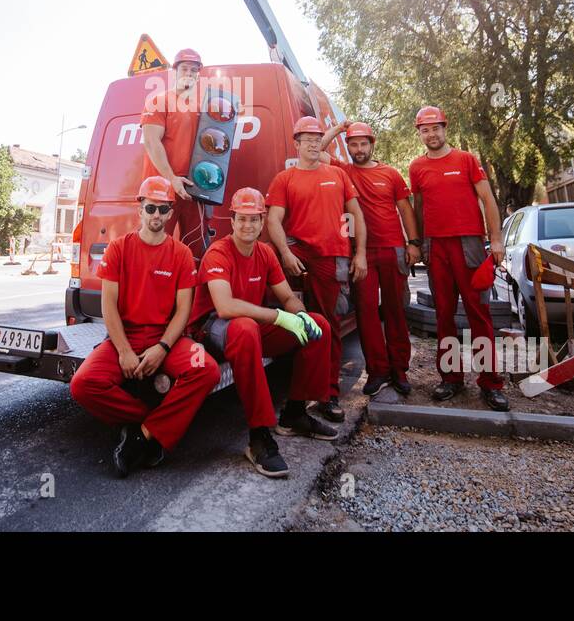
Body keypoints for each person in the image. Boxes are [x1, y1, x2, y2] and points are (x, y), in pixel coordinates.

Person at [69, 176, 220, 476]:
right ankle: (147, 425)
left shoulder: (180, 254)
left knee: (207, 370)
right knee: (83, 385)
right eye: (151, 208)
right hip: (124, 337)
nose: (157, 216)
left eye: (164, 210)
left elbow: (183, 311)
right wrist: (124, 351)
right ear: (140, 208)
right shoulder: (118, 249)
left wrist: (163, 348)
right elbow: (108, 306)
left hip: (167, 338)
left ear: (170, 213)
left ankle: (145, 434)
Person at [190, 187, 337, 478]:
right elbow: (225, 306)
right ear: (231, 220)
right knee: (245, 329)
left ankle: (295, 413)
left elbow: (287, 297)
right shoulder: (218, 252)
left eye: (254, 219)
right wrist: (279, 317)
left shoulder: (265, 252)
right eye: (242, 219)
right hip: (212, 330)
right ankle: (259, 436)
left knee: (318, 325)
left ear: (262, 221)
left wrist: (300, 316)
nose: (248, 225)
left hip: (250, 325)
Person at [266, 116, 367, 422]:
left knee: (331, 324)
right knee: (293, 320)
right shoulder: (285, 179)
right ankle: (290, 389)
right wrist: (284, 253)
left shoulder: (337, 175)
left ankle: (328, 394)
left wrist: (359, 253)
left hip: (332, 256)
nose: (312, 143)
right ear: (296, 143)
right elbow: (273, 220)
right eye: (306, 138)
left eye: (316, 138)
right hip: (299, 253)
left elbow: (356, 215)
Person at [408, 106, 509, 411]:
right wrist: (419, 244)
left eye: (436, 128)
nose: (432, 134)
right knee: (444, 315)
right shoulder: (417, 167)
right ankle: (451, 379)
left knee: (479, 314)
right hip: (436, 246)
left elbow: (488, 199)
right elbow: (419, 207)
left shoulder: (466, 160)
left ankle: (491, 383)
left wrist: (496, 239)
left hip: (470, 245)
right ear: (420, 133)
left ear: (445, 127)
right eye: (425, 130)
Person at [321, 121, 419, 397]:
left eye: (364, 143)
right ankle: (377, 372)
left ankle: (399, 370)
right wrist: (339, 129)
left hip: (393, 249)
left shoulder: (390, 174)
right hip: (361, 254)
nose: (359, 149)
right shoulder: (344, 171)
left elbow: (405, 209)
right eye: (354, 144)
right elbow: (316, 151)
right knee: (366, 313)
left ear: (372, 144)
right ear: (348, 146)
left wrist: (413, 243)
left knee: (395, 311)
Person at [139, 47, 203, 246]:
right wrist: (172, 179)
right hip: (160, 188)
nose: (189, 74)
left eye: (194, 70)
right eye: (185, 68)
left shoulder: (200, 106)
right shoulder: (158, 101)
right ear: (175, 72)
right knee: (153, 246)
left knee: (194, 247)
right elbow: (151, 142)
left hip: (191, 187)